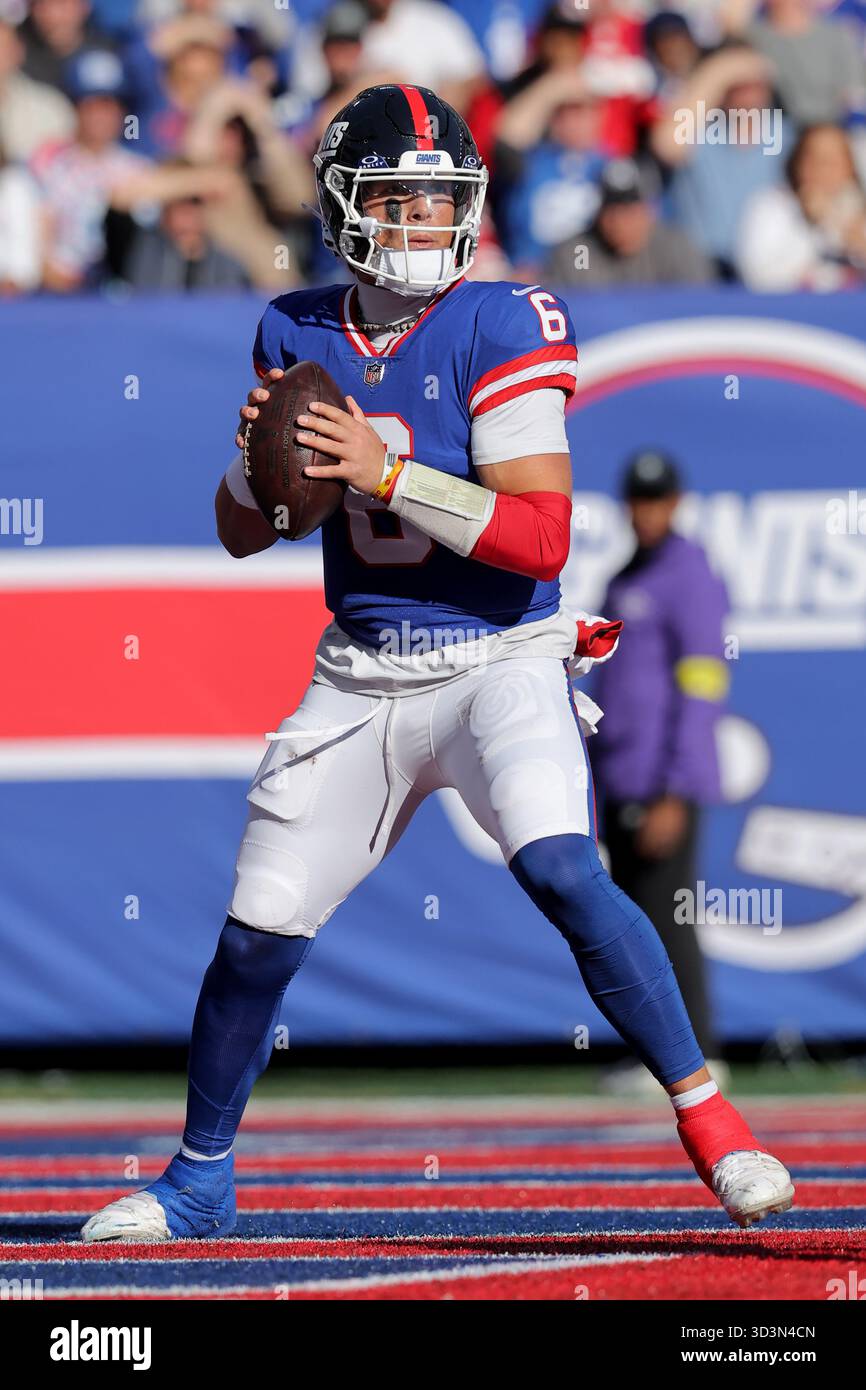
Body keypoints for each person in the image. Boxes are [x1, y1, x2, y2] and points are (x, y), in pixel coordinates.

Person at [81, 83, 794, 1244]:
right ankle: (199, 1175)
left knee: (564, 867)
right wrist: (257, 471)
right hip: (360, 669)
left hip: (495, 655)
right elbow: (243, 529)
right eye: (396, 197)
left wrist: (381, 468)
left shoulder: (504, 320)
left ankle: (709, 1118)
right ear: (341, 205)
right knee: (256, 929)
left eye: (439, 198)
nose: (420, 220)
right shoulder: (294, 329)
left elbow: (540, 538)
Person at [591, 452, 730, 1097]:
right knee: (632, 927)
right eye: (636, 500)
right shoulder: (625, 578)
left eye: (657, 500)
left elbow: (702, 688)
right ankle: (655, 1058)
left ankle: (699, 1053)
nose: (646, 513)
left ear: (675, 503)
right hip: (622, 776)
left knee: (670, 917)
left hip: (660, 782)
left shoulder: (689, 576)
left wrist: (676, 789)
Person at [544, 156, 714, 287]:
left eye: (630, 211)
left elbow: (698, 314)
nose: (620, 222)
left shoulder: (677, 249)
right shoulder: (575, 253)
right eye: (611, 210)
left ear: (650, 211)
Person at [737, 122, 866, 289]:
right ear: (798, 164)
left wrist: (856, 242)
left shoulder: (858, 213)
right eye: (816, 158)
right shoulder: (772, 206)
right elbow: (757, 277)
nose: (826, 168)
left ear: (850, 167)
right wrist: (814, 225)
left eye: (836, 159)